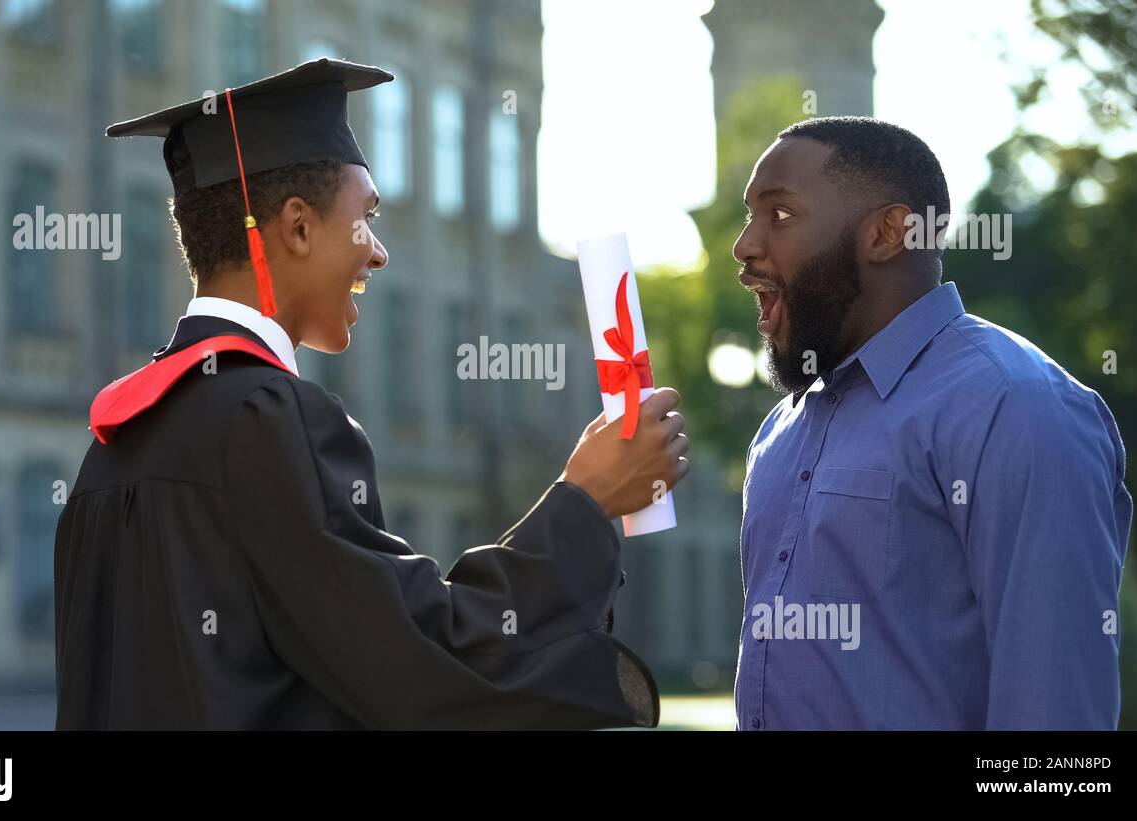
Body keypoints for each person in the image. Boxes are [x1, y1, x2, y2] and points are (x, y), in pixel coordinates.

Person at [53, 59, 689, 730]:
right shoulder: (270, 419)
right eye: (367, 216)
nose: (379, 252)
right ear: (298, 228)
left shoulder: (116, 442)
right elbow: (420, 666)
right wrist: (584, 504)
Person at [732, 116, 1131, 730]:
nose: (746, 246)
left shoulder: (1015, 407)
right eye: (749, 216)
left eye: (779, 215)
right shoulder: (780, 433)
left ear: (889, 233)